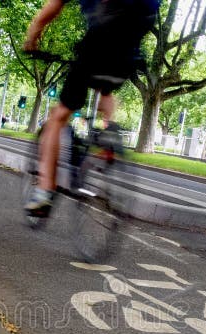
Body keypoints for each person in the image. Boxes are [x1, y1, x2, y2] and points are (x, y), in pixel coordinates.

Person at [23, 0, 159, 217]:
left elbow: (52, 8)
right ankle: (109, 138)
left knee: (58, 117)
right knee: (106, 90)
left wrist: (32, 37)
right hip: (128, 55)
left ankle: (43, 191)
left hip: (97, 47)